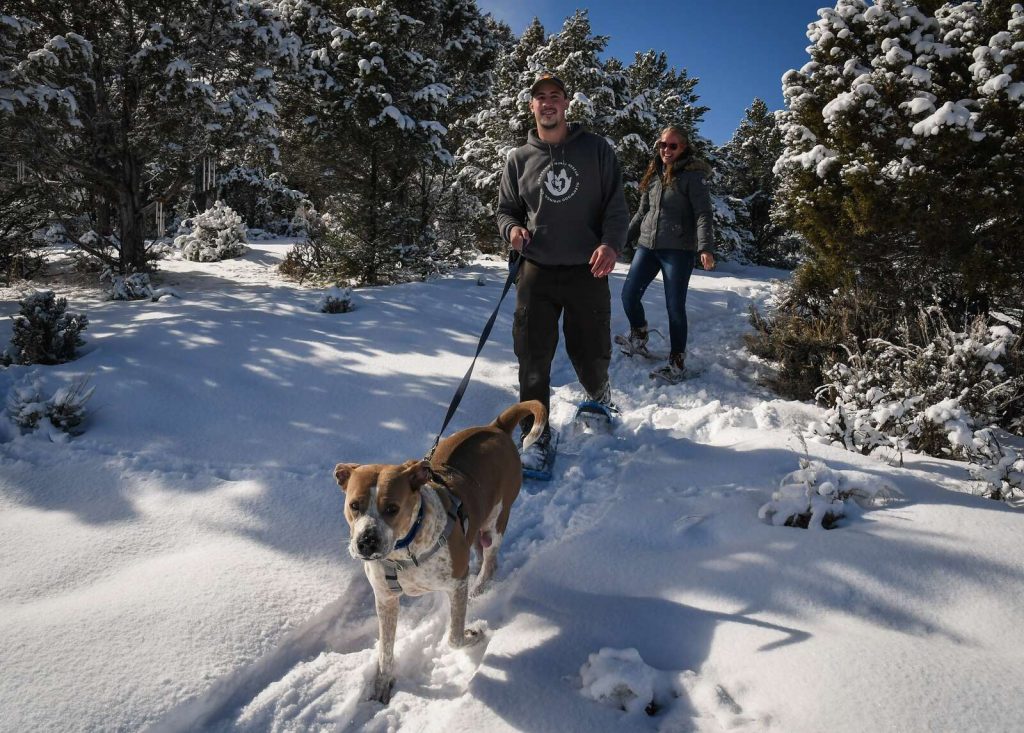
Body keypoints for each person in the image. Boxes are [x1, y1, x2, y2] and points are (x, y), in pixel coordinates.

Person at [496, 72, 629, 468]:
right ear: (532, 106)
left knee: (589, 351)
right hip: (536, 269)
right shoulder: (518, 159)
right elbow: (506, 211)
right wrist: (512, 230)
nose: (548, 102)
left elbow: (616, 207)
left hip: (587, 268)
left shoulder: (596, 150)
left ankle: (599, 395)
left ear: (567, 103)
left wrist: (610, 243)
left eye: (555, 95)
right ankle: (535, 436)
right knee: (532, 358)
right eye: (541, 97)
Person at [621, 126, 716, 383]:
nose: (666, 149)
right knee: (629, 295)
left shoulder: (692, 177)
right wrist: (620, 241)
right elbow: (642, 214)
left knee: (675, 307)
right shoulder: (654, 175)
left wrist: (705, 247)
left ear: (684, 148)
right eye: (663, 144)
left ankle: (677, 361)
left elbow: (703, 214)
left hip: (678, 250)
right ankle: (639, 335)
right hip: (647, 247)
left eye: (673, 146)